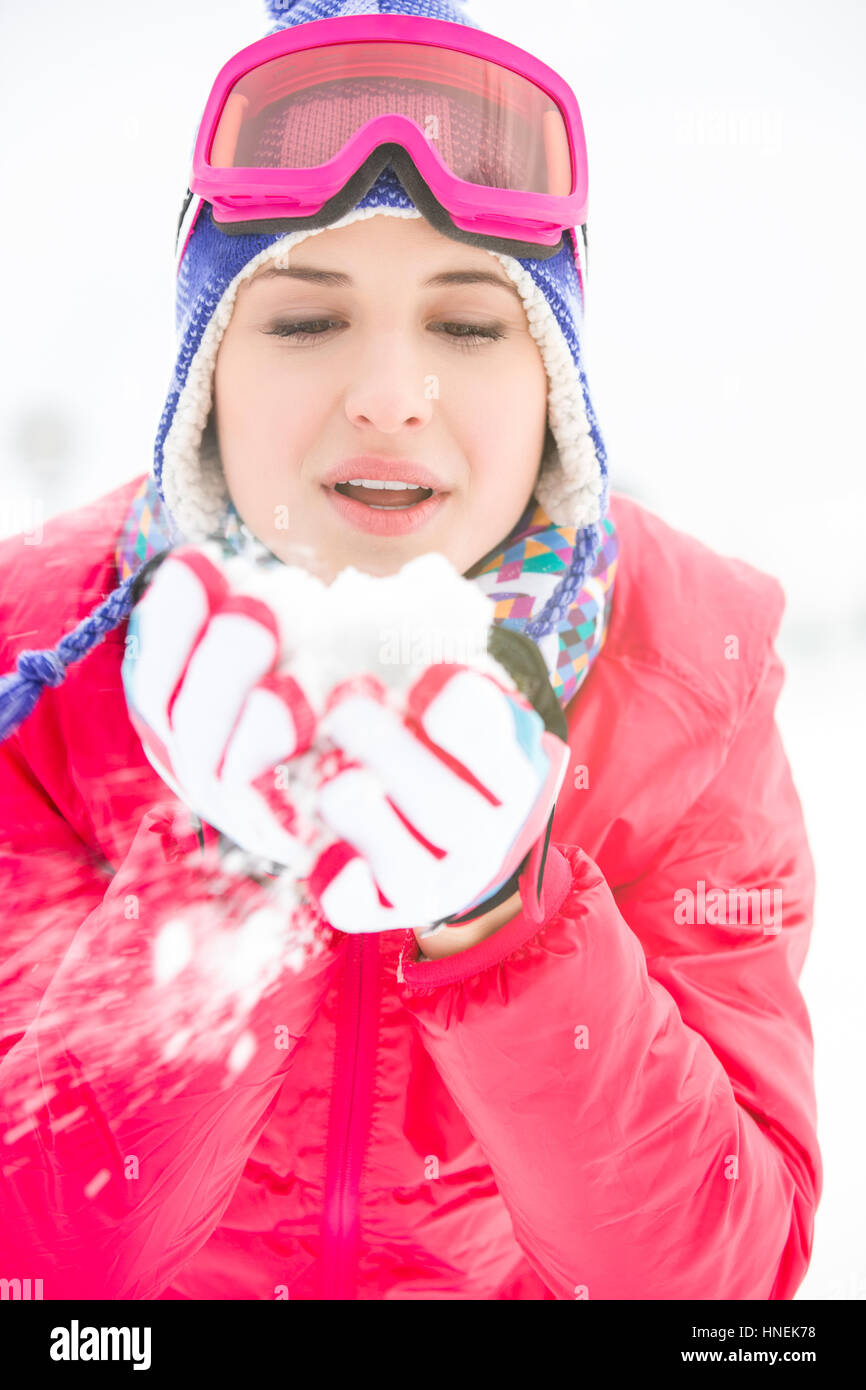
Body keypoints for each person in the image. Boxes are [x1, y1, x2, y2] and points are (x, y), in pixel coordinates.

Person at [0, 0, 821, 1301]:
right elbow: (36, 1272)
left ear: (554, 388)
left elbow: (720, 1283)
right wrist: (218, 892)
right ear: (202, 378)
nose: (389, 388)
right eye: (305, 320)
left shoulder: (686, 681)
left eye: (468, 324)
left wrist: (509, 920)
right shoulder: (36, 668)